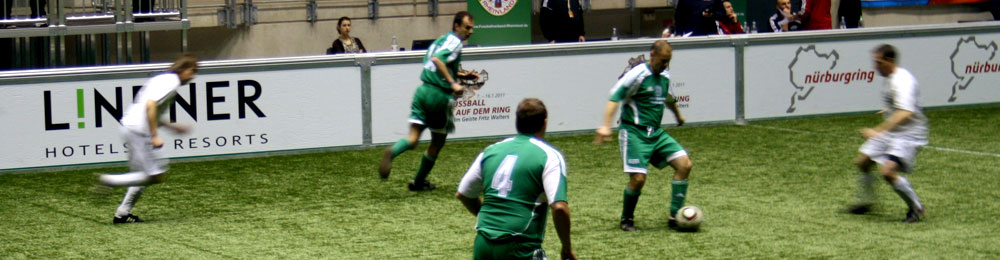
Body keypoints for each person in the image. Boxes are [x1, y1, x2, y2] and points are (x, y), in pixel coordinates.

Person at [456, 98, 577, 260]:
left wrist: (492, 219)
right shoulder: (549, 156)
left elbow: (463, 193)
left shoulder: (491, 151)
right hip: (519, 246)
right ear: (544, 123)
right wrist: (567, 248)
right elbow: (560, 207)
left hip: (483, 244)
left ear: (517, 122)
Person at [595, 40, 694, 231]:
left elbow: (667, 97)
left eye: (669, 61)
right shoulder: (637, 74)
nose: (666, 65)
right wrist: (605, 126)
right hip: (634, 132)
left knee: (685, 164)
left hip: (655, 133)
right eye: (663, 61)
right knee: (638, 179)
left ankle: (675, 216)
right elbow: (614, 96)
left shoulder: (664, 74)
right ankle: (627, 219)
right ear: (652, 55)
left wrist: (678, 115)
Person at [378, 11, 479, 191]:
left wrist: (463, 75)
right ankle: (418, 182)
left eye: (472, 28)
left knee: (413, 139)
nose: (470, 31)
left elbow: (434, 64)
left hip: (422, 91)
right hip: (438, 96)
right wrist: (453, 84)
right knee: (438, 142)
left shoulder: (442, 39)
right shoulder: (455, 42)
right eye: (467, 27)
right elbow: (437, 60)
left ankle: (392, 152)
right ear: (456, 26)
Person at [96, 54, 198, 224]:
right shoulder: (171, 82)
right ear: (182, 69)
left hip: (130, 126)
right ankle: (110, 181)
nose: (193, 76)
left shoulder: (161, 79)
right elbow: (150, 105)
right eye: (192, 71)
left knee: (142, 175)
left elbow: (151, 109)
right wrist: (154, 135)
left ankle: (122, 213)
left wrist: (172, 127)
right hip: (139, 131)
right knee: (156, 176)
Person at [846, 44, 926, 223]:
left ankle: (916, 207)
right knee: (863, 162)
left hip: (908, 134)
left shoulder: (902, 80)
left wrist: (876, 131)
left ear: (890, 60)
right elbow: (900, 106)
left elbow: (906, 112)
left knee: (887, 171)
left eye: (879, 62)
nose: (875, 67)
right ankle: (866, 202)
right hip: (895, 130)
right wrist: (888, 110)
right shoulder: (890, 77)